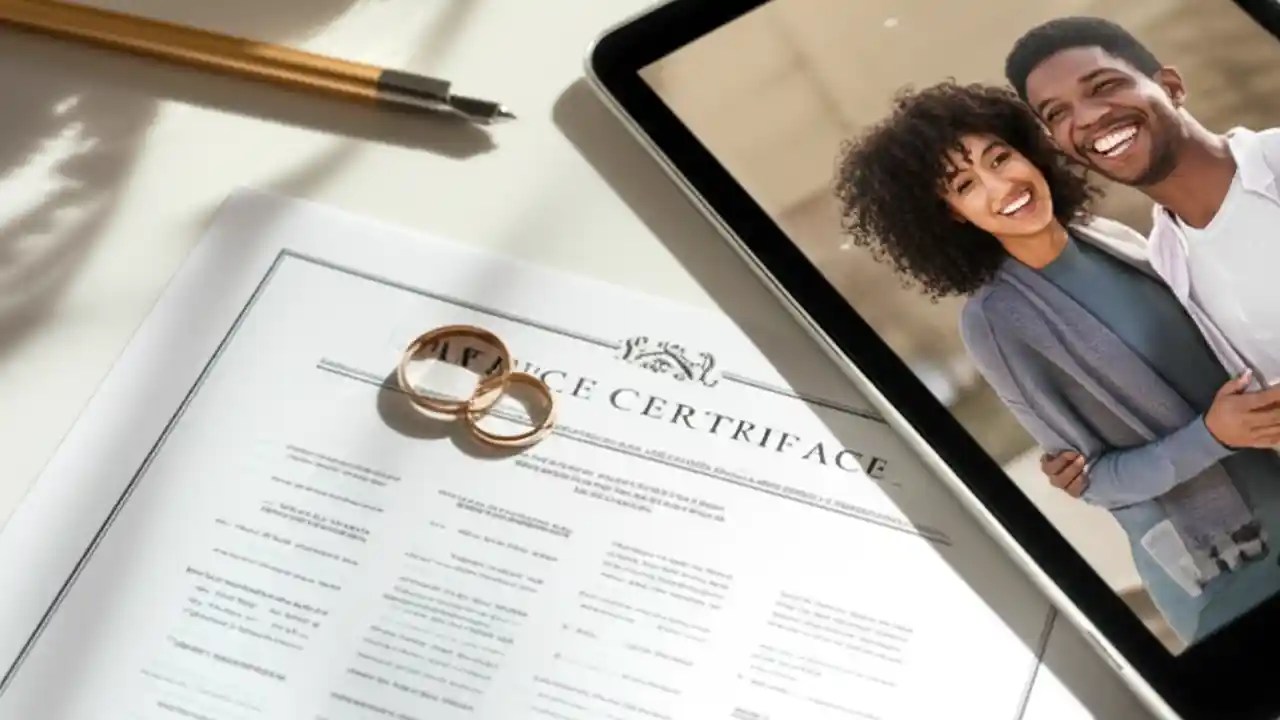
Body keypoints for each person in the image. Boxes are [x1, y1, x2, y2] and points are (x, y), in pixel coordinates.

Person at [835, 80, 1280, 646]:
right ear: (950, 215)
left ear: (1027, 150)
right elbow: (1096, 480)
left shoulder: (1104, 235)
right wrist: (1213, 436)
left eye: (1000, 158)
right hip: (1227, 573)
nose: (1001, 185)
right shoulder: (997, 322)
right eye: (966, 186)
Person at [1004, 18, 1280, 500]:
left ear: (1170, 86)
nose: (1087, 118)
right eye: (1058, 113)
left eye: (1103, 86)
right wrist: (1087, 463)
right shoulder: (1164, 258)